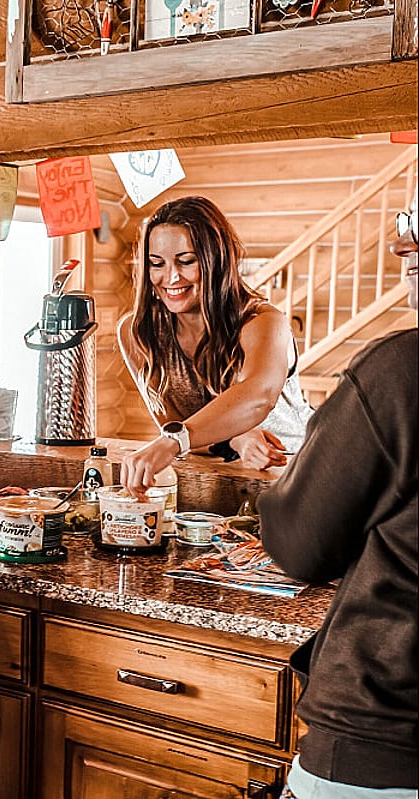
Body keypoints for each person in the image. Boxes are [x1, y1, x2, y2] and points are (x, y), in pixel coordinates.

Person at [260, 191, 417, 798]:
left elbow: (301, 543)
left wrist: (297, 472)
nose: (403, 240)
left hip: (380, 744)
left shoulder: (401, 371)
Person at [117, 196, 313, 493]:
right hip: (222, 488)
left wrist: (174, 441)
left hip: (298, 477)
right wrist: (234, 440)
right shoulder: (138, 333)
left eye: (186, 261)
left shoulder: (264, 322)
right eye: (157, 263)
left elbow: (258, 397)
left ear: (217, 260)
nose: (170, 277)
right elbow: (178, 427)